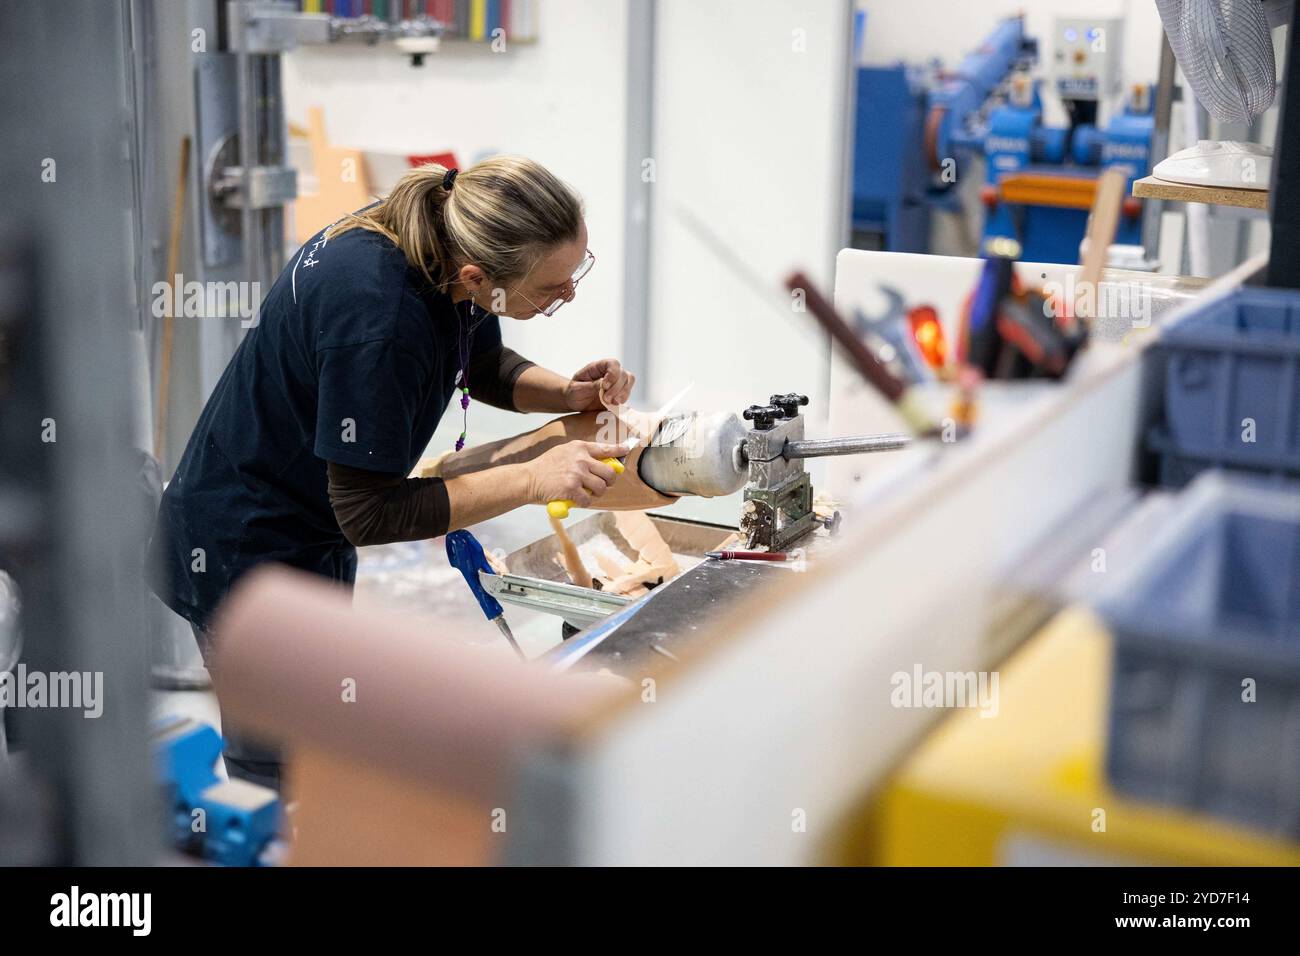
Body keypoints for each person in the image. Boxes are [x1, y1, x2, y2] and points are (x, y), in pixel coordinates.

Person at [147, 156, 633, 788]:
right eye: (552, 288)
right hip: (243, 544)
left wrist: (566, 394)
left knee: (320, 738)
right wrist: (534, 477)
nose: (565, 295)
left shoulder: (438, 233)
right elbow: (369, 512)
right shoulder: (379, 319)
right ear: (478, 276)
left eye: (574, 275)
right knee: (281, 768)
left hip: (304, 525)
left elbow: (478, 361)